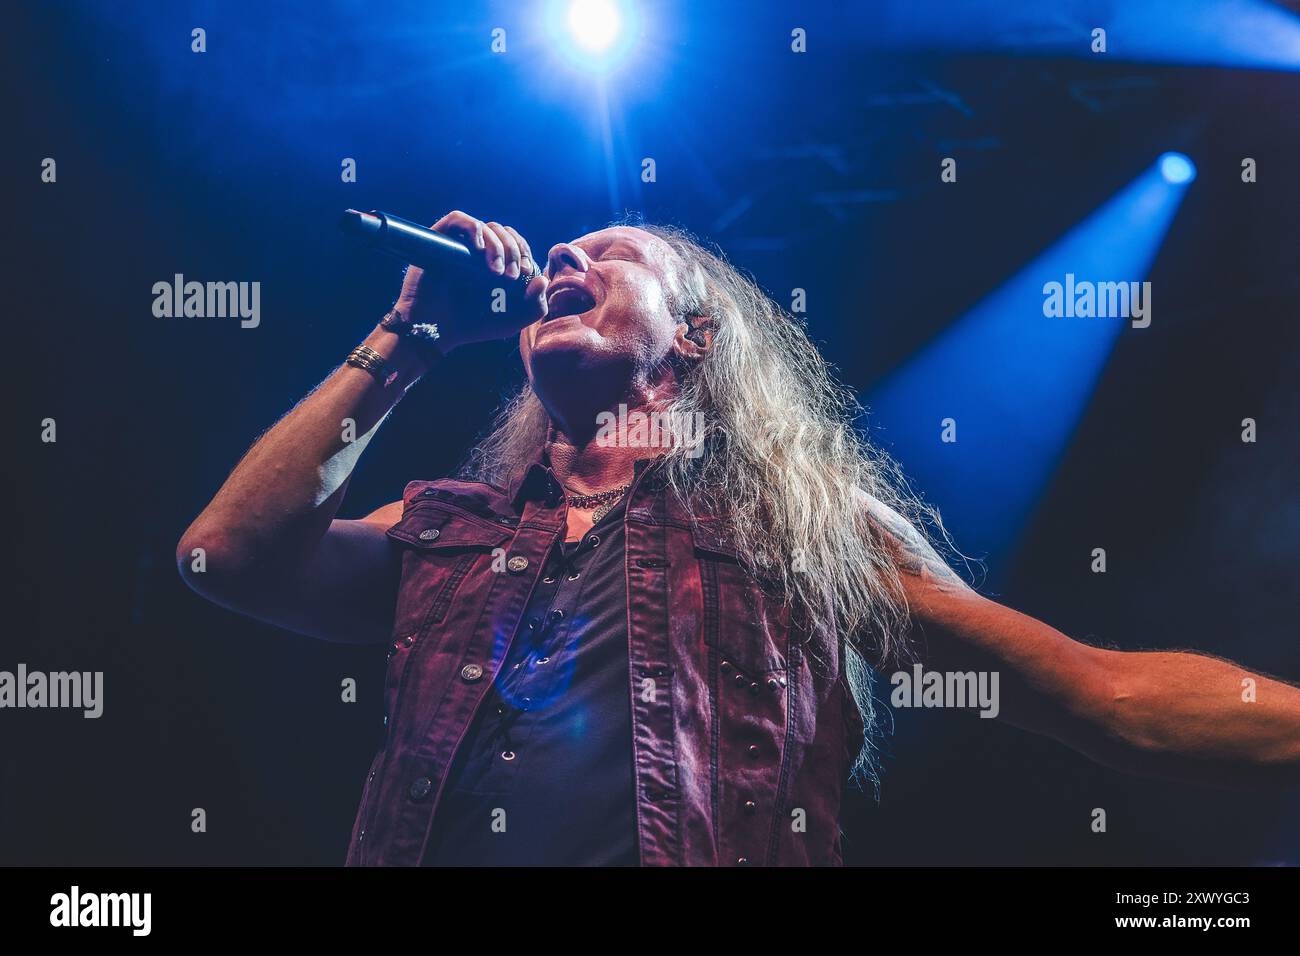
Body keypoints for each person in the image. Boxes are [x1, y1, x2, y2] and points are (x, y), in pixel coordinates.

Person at [177, 211, 1300, 866]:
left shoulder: (795, 531)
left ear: (695, 337)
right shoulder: (447, 530)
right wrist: (409, 337)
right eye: (556, 258)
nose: (560, 261)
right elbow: (228, 557)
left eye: (607, 254)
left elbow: (1099, 692)